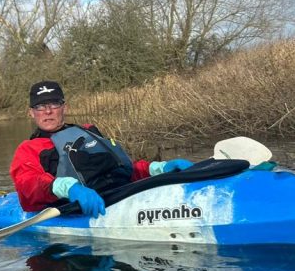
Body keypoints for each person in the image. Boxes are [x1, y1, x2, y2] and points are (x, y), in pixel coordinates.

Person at [10, 81, 192, 216]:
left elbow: (120, 168)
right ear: (31, 112)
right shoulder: (28, 149)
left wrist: (158, 168)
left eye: (54, 104)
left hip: (121, 195)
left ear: (64, 107)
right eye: (40, 106)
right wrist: (69, 188)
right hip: (75, 210)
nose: (47, 111)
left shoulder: (88, 132)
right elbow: (28, 187)